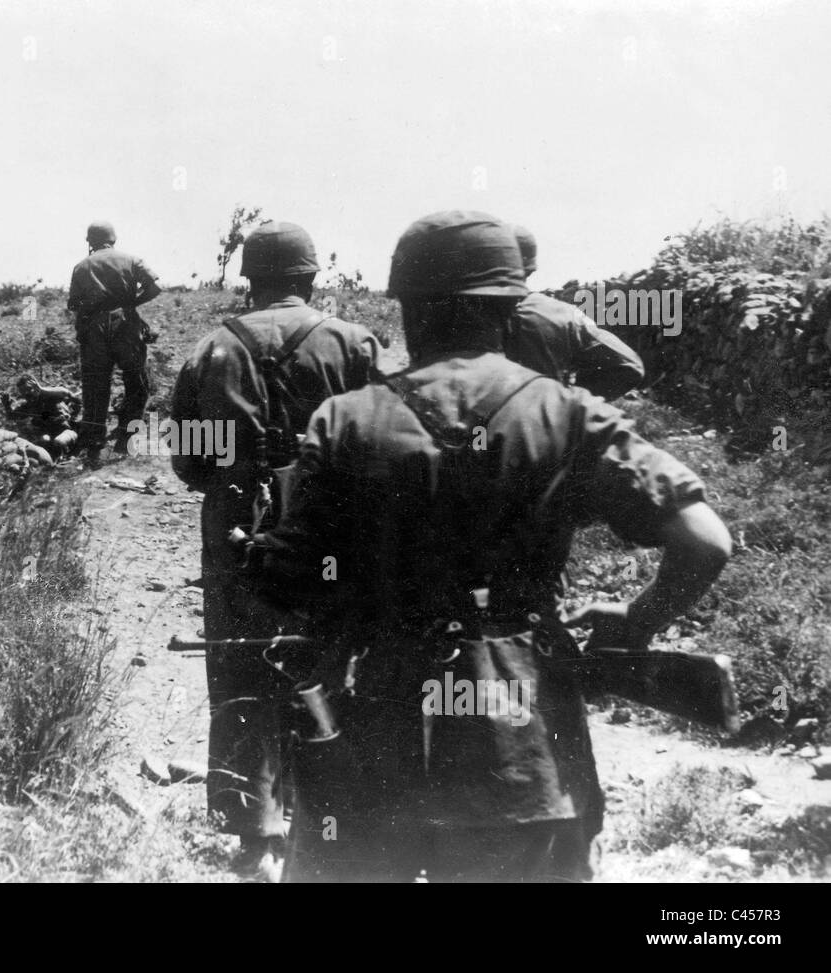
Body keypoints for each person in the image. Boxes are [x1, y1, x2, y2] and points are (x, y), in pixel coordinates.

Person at [255, 210, 731, 882]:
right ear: (508, 309)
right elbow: (706, 540)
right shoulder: (571, 415)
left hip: (373, 742)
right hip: (525, 753)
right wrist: (639, 618)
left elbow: (287, 579)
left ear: (410, 309)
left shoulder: (345, 420)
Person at [170, 220, 383, 880]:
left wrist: (240, 481)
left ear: (250, 278)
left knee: (239, 665)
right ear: (311, 276)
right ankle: (335, 819)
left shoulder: (211, 350)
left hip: (237, 517)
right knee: (333, 658)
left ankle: (252, 832)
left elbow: (192, 460)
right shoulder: (353, 343)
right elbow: (384, 440)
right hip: (331, 519)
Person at [504, 226, 645, 399]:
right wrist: (570, 403)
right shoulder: (565, 316)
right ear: (531, 268)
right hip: (541, 419)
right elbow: (629, 365)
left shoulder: (465, 315)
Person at [68, 221, 161, 467]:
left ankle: (95, 445)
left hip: (94, 328)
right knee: (136, 382)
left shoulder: (81, 266)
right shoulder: (131, 259)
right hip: (127, 325)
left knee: (96, 386)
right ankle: (126, 440)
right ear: (114, 239)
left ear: (90, 242)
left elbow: (74, 304)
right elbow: (155, 287)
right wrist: (131, 303)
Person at [2, 374, 81, 459]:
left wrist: (41, 389)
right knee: (43, 442)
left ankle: (68, 456)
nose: (27, 393)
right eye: (23, 392)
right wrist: (7, 405)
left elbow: (66, 393)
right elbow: (12, 416)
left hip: (67, 431)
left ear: (35, 386)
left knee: (59, 441)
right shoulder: (28, 406)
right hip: (50, 436)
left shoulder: (49, 395)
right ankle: (57, 460)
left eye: (29, 389)